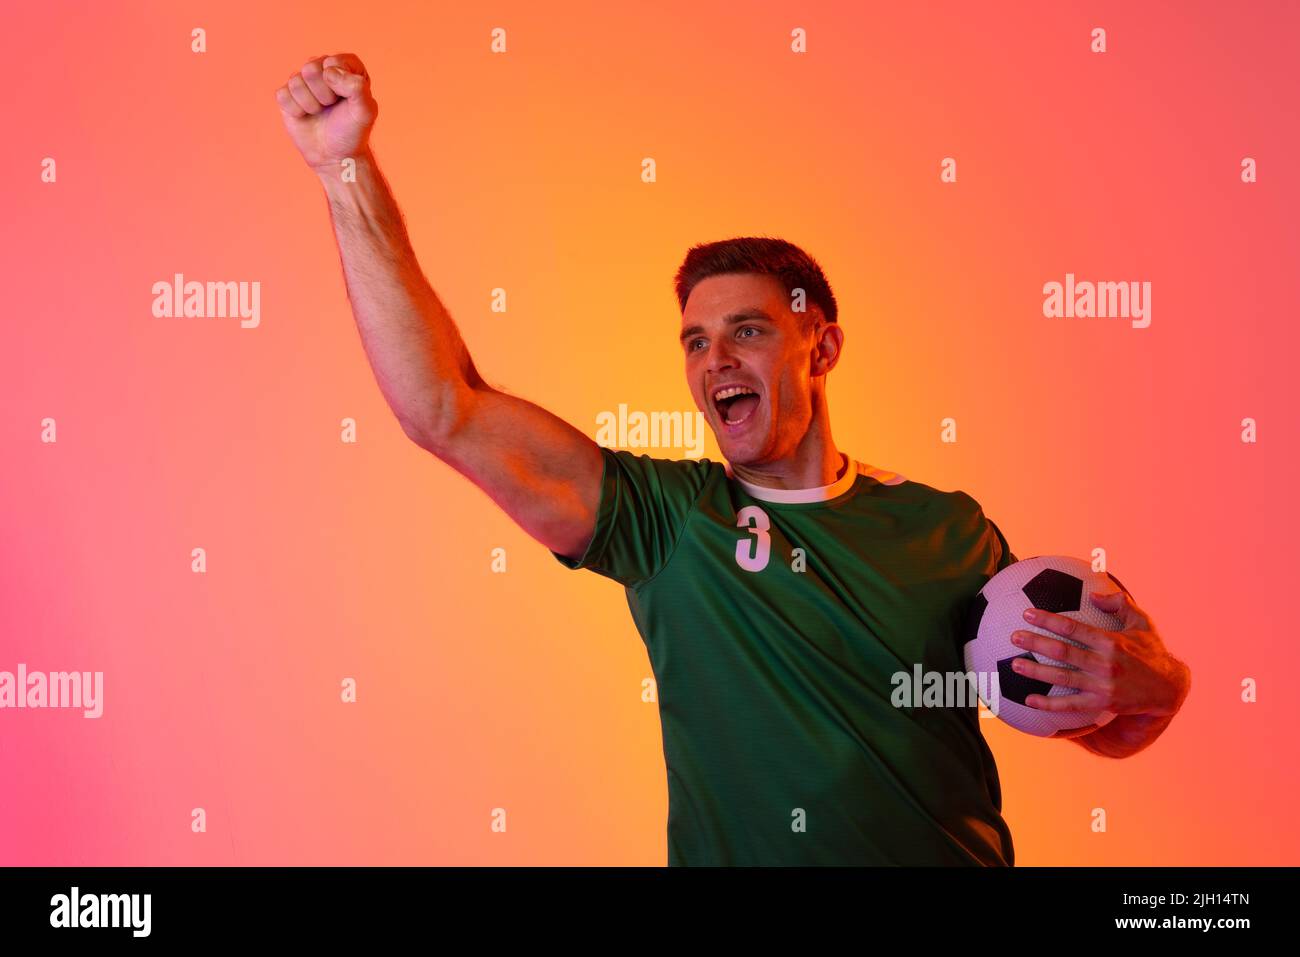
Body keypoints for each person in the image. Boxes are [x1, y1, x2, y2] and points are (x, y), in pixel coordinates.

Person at [275, 53, 1192, 866]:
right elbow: (445, 407)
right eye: (695, 341)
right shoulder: (666, 519)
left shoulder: (948, 528)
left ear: (820, 349)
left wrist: (1160, 683)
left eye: (746, 331)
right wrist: (342, 169)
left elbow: (1079, 720)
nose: (715, 360)